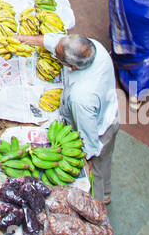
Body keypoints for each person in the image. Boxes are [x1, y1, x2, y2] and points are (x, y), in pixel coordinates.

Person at [11, 33, 119, 202]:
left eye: (58, 57)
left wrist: (84, 163)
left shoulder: (81, 97)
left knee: (96, 168)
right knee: (105, 162)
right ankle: (106, 192)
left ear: (72, 67)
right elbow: (57, 43)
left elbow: (89, 143)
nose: (54, 55)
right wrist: (23, 39)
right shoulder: (93, 47)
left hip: (99, 130)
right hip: (108, 111)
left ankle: (99, 201)